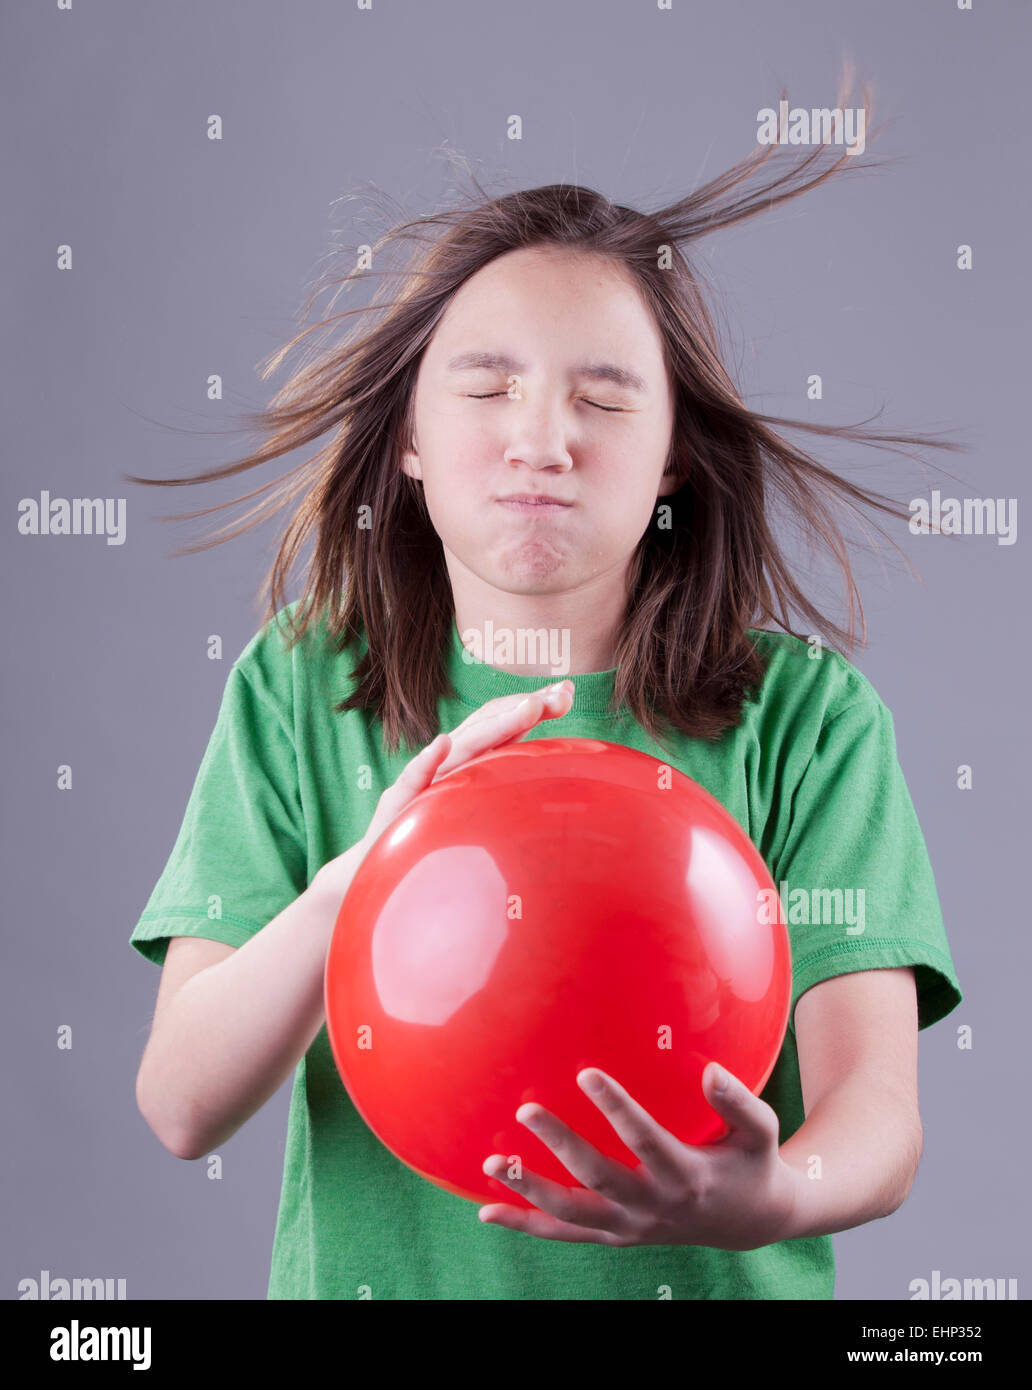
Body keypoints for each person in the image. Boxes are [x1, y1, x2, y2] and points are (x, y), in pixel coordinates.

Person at [128, 123, 963, 1300]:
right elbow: (180, 1101)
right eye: (489, 385)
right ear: (410, 436)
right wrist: (361, 880)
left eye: (605, 400)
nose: (542, 441)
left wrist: (773, 1195)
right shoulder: (298, 686)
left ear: (675, 455)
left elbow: (879, 1123)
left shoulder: (810, 721)